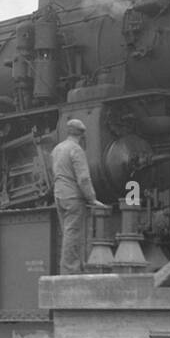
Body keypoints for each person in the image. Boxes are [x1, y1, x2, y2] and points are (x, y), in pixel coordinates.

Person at [49, 118, 108, 275]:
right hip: (73, 197)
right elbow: (83, 178)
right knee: (73, 234)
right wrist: (92, 198)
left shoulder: (57, 149)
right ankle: (71, 272)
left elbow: (54, 172)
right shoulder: (76, 150)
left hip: (59, 195)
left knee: (67, 233)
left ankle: (72, 268)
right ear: (82, 135)